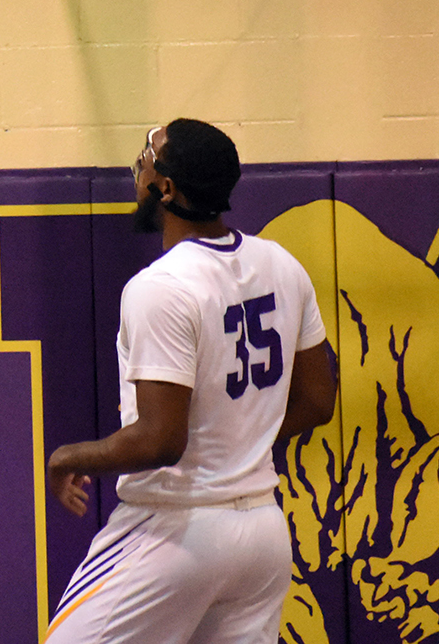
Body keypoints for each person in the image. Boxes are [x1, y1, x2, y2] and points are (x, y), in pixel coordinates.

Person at [42, 119, 338, 644]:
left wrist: (70, 456)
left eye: (147, 156)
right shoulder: (282, 264)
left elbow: (160, 441)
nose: (139, 165)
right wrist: (238, 443)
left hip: (174, 530)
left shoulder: (160, 287)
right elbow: (319, 400)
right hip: (262, 534)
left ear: (166, 188)